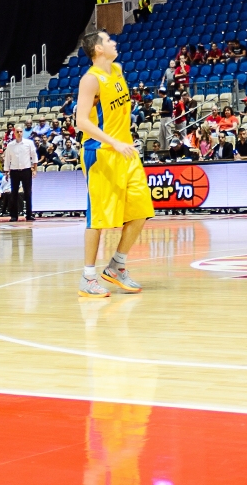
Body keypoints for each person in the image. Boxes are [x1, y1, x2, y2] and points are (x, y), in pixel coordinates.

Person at [73, 29, 151, 297]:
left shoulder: (116, 69)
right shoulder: (90, 81)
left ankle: (116, 265)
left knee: (141, 210)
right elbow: (81, 120)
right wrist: (113, 141)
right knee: (98, 219)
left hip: (125, 151)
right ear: (97, 50)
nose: (114, 42)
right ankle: (88, 277)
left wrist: (122, 141)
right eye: (108, 40)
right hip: (101, 152)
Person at [2, 127, 37, 220]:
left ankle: (29, 215)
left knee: (28, 193)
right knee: (14, 193)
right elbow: (7, 159)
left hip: (26, 170)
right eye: (17, 132)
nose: (19, 133)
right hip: (14, 171)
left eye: (21, 131)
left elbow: (34, 156)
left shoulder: (29, 143)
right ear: (14, 133)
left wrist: (35, 169)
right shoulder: (10, 145)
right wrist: (6, 171)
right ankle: (14, 216)